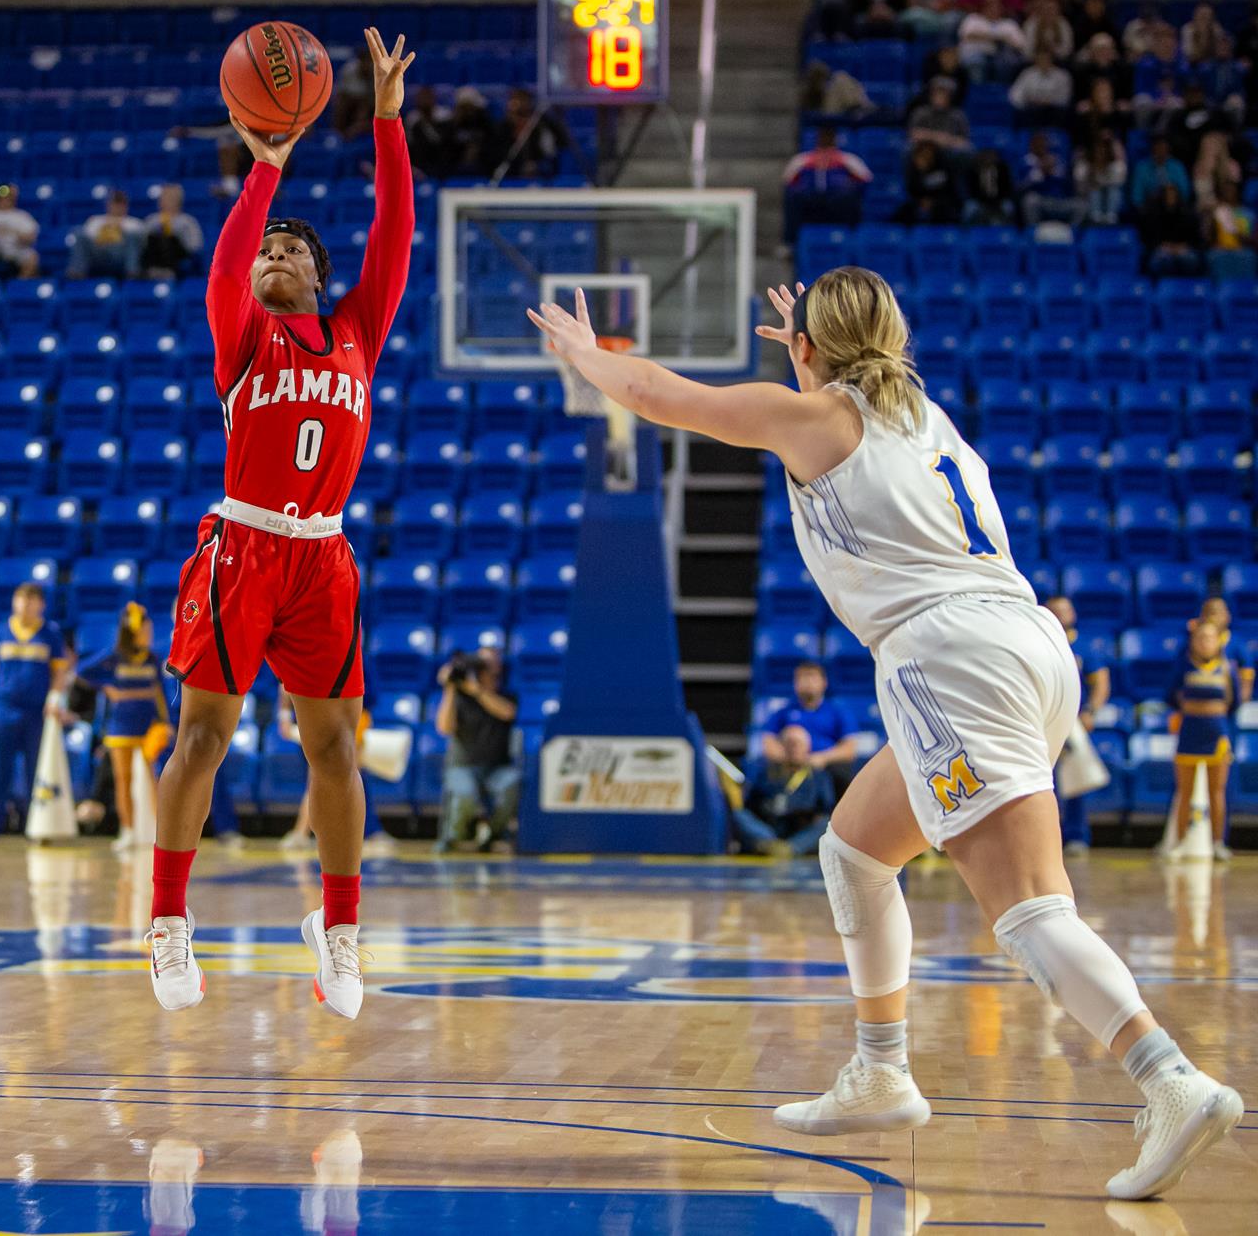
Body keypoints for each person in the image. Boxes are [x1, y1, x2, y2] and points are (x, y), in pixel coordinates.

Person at [529, 267, 1243, 1200]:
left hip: (948, 658)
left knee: (1031, 909)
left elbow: (665, 396)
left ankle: (1170, 1078)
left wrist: (589, 359)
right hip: (1025, 646)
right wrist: (809, 351)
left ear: (814, 353)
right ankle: (881, 1068)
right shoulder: (924, 419)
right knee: (856, 850)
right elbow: (839, 410)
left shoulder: (819, 420)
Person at [148, 28, 414, 1023]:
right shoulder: (241, 333)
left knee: (334, 751)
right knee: (202, 737)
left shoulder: (353, 330)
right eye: (266, 247)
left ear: (318, 273)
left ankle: (338, 930)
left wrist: (385, 124)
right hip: (241, 544)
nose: (271, 255)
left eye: (289, 248)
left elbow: (394, 235)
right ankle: (169, 920)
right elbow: (220, 269)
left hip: (323, 557)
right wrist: (261, 174)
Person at [0, 581, 70, 837]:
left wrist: (56, 696)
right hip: (3, 707)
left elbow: (59, 670)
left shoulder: (50, 633)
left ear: (41, 605)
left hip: (36, 711)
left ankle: (35, 826)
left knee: (35, 770)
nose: (25, 605)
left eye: (31, 600)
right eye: (21, 599)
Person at [75, 603, 172, 853]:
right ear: (132, 631)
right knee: (123, 779)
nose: (148, 634)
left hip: (147, 726)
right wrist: (108, 688)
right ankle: (127, 830)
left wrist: (165, 721)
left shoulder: (152, 658)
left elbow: (161, 692)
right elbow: (82, 670)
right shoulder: (114, 656)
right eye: (144, 630)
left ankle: (160, 833)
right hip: (119, 726)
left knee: (154, 779)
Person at [275, 693, 399, 857]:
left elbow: (364, 693)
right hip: (317, 716)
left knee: (347, 777)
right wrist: (284, 714)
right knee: (329, 777)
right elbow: (284, 682)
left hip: (344, 714)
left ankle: (363, 831)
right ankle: (307, 833)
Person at [1162, 618, 1234, 864]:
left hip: (1217, 734)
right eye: (1200, 637)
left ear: (1218, 641)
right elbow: (1169, 695)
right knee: (1185, 792)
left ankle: (1218, 843)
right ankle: (1180, 843)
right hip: (1190, 731)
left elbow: (1234, 703)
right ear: (1192, 641)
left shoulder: (1226, 667)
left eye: (1210, 638)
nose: (1205, 642)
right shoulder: (1183, 665)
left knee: (1217, 792)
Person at [433, 647, 518, 854]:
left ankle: (492, 834)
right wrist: (450, 688)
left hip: (497, 767)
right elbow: (444, 727)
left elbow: (507, 713)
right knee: (465, 793)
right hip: (463, 766)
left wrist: (478, 691)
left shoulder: (507, 694)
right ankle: (455, 836)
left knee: (511, 784)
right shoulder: (461, 697)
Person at [1043, 596, 1107, 857]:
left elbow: (1101, 682)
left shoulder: (1084, 646)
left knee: (1076, 779)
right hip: (1044, 718)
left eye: (1065, 610)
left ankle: (1077, 836)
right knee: (1046, 780)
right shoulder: (1040, 642)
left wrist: (1091, 710)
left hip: (1074, 721)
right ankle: (1048, 838)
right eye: (1054, 610)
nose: (1060, 615)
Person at [734, 730, 835, 859]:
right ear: (782, 747)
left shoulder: (818, 776)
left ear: (807, 748)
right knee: (739, 815)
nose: (794, 749)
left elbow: (827, 808)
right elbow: (750, 803)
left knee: (827, 824)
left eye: (798, 744)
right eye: (790, 744)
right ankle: (771, 844)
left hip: (800, 828)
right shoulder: (767, 772)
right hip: (771, 826)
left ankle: (791, 848)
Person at [760, 660, 859, 786]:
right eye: (802, 678)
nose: (807, 682)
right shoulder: (784, 712)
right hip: (790, 766)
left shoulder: (838, 712)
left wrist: (822, 758)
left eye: (812, 677)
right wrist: (789, 759)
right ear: (795, 684)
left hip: (827, 767)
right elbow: (768, 742)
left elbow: (849, 749)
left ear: (824, 683)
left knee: (843, 773)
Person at [782, 126, 872, 241]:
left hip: (836, 201)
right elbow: (788, 180)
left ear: (835, 141)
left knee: (851, 200)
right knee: (793, 198)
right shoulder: (803, 159)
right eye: (823, 139)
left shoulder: (847, 159)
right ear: (817, 141)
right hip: (812, 201)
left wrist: (847, 179)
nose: (826, 142)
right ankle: (791, 242)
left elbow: (866, 177)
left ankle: (853, 240)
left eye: (828, 139)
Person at [66, 190, 144, 280]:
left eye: (120, 204)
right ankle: (76, 276)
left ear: (126, 206)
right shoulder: (96, 220)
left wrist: (118, 227)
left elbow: (140, 242)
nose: (117, 207)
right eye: (114, 204)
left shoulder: (134, 223)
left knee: (132, 237)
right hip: (99, 254)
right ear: (108, 205)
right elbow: (89, 237)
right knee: (78, 233)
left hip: (120, 255)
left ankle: (132, 276)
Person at [495, 87, 565, 179]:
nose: (518, 103)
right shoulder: (502, 127)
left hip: (541, 172)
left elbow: (560, 143)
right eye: (514, 99)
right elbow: (497, 154)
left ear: (529, 102)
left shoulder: (541, 122)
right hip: (510, 174)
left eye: (522, 99)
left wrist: (537, 164)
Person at [958, 0, 1027, 83]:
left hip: (999, 57)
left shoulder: (1008, 24)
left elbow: (1020, 44)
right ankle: (978, 92)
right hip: (975, 54)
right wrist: (998, 37)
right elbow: (968, 34)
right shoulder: (973, 19)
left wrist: (1006, 40)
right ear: (983, 6)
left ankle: (1000, 92)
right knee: (976, 62)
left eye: (997, 5)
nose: (994, 8)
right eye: (990, 5)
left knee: (1006, 63)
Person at [140, 184, 204, 280]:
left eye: (170, 198)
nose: (166, 201)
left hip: (178, 256)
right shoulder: (151, 220)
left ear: (179, 201)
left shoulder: (188, 221)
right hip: (153, 257)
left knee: (169, 240)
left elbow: (195, 246)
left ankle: (168, 272)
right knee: (155, 238)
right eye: (164, 198)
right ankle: (153, 271)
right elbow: (142, 244)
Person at [1139, 183, 1204, 277]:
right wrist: (1163, 246)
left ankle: (1187, 285)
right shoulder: (1154, 215)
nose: (1170, 198)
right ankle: (1160, 287)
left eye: (1173, 195)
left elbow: (1196, 238)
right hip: (1162, 248)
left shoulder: (1188, 215)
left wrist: (1183, 246)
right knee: (1159, 259)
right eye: (1168, 195)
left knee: (1190, 259)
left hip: (1184, 249)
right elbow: (1149, 238)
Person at [1018, 132, 1079, 226]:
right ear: (1031, 146)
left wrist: (1055, 171)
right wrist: (1040, 172)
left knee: (1080, 205)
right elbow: (1020, 187)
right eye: (1038, 144)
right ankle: (1032, 232)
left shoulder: (1056, 161)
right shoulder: (1025, 163)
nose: (1041, 147)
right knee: (1030, 201)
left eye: (1043, 144)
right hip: (1040, 201)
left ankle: (1072, 234)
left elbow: (1069, 185)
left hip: (1060, 202)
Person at [897, 140, 959, 226]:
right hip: (919, 202)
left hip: (942, 203)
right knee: (906, 211)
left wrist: (933, 201)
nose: (924, 157)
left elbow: (951, 190)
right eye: (921, 155)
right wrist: (922, 201)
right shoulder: (913, 171)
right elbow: (912, 190)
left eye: (928, 154)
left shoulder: (944, 167)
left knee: (945, 211)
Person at [1008, 48, 1074, 128]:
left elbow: (1065, 98)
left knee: (1062, 112)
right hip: (1031, 109)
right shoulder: (1027, 74)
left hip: (1054, 110)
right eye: (1041, 59)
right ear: (1036, 60)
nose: (1044, 61)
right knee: (1023, 113)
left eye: (1046, 59)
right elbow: (1015, 94)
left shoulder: (1062, 75)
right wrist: (1026, 101)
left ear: (1052, 60)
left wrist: (1049, 101)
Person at [1074, 131, 1128, 226]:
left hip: (1110, 202)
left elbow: (1119, 181)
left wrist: (1102, 174)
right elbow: (1079, 188)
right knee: (1095, 190)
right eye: (1098, 148)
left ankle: (1111, 217)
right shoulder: (1084, 165)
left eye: (1104, 148)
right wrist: (1091, 174)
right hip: (1088, 201)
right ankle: (1095, 218)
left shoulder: (1116, 166)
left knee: (1113, 190)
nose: (1101, 151)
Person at [906, 78, 969, 153]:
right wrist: (937, 138)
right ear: (931, 95)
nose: (939, 97)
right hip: (924, 149)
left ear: (950, 97)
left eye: (943, 94)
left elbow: (964, 141)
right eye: (937, 93)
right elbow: (913, 134)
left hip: (949, 151)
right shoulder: (920, 112)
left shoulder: (958, 116)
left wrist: (947, 140)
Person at [1128, 136, 1191, 212]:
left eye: (1164, 148)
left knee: (1170, 192)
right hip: (1151, 207)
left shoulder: (1177, 166)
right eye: (1158, 148)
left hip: (1175, 206)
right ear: (1153, 149)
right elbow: (1137, 195)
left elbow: (1185, 191)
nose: (1161, 151)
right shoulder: (1142, 167)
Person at [962, 149, 1017, 227]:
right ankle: (965, 233)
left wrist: (998, 200)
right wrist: (983, 201)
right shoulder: (973, 170)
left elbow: (1008, 188)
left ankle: (1010, 232)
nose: (988, 159)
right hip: (979, 201)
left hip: (999, 200)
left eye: (991, 156)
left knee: (1009, 207)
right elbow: (970, 190)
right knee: (969, 208)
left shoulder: (1002, 170)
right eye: (986, 156)